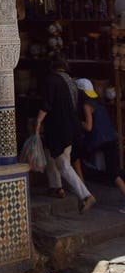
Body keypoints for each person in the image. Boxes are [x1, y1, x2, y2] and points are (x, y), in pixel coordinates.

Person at [35, 55, 96, 213]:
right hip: (71, 129)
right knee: (50, 155)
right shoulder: (72, 82)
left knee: (63, 164)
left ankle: (86, 196)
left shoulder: (51, 80)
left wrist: (38, 122)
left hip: (59, 130)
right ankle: (56, 187)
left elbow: (46, 104)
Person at [75, 77, 125, 211]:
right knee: (114, 173)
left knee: (76, 156)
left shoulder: (86, 105)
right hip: (110, 140)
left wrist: (78, 123)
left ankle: (84, 192)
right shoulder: (99, 103)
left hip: (99, 141)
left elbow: (89, 127)